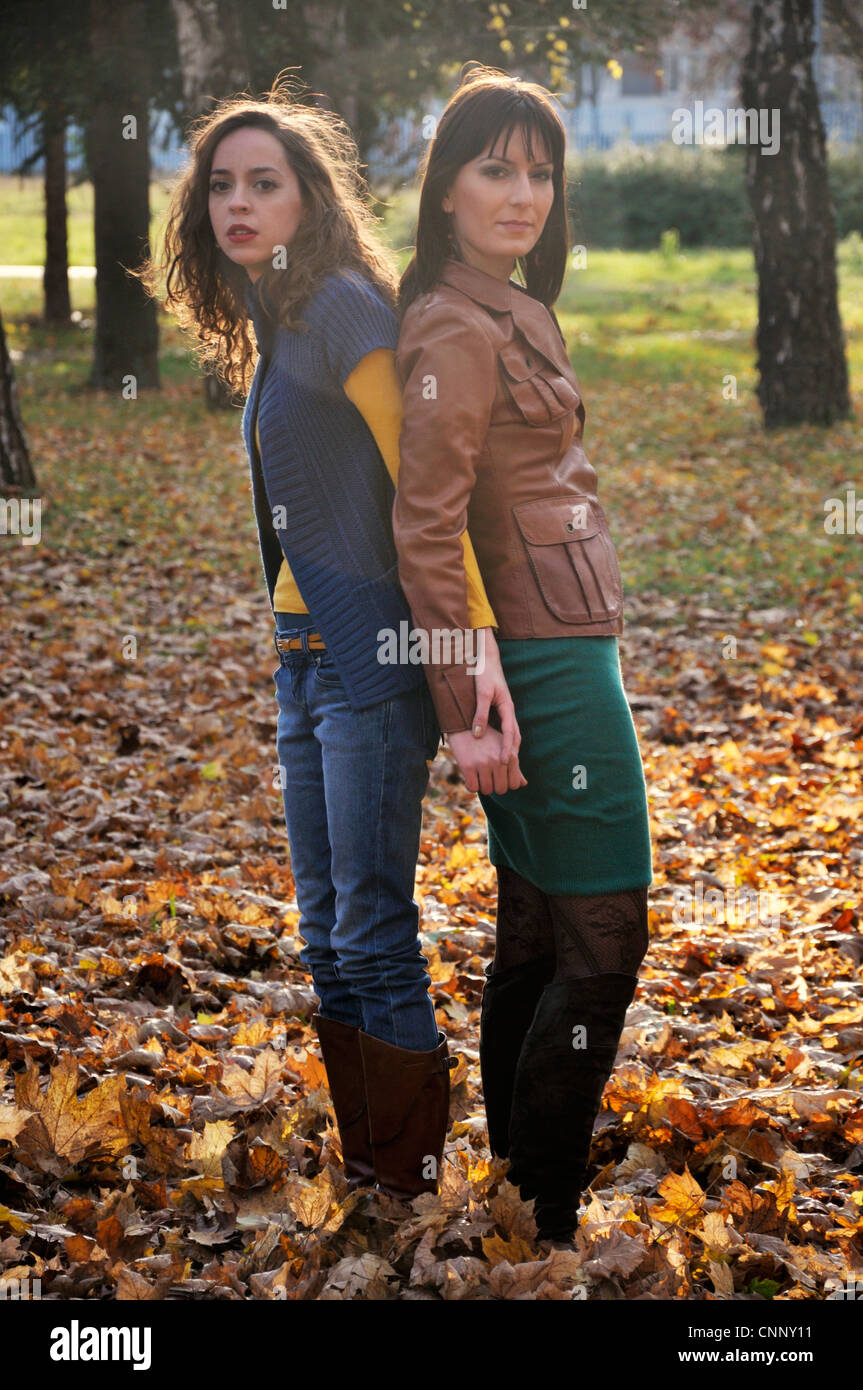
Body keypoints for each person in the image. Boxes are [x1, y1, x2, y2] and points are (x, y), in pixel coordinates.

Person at [135, 79, 525, 1201]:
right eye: (221, 185)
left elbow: (425, 488)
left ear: (308, 198)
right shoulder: (280, 321)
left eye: (265, 183)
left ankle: (409, 1183)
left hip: (370, 664)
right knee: (325, 935)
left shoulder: (347, 308)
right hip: (300, 664)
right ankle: (372, 1170)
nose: (238, 203)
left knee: (371, 928)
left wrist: (469, 647)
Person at [392, 66, 654, 1242]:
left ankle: (513, 1194)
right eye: (493, 168)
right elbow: (423, 524)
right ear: (444, 188)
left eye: (539, 172)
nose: (522, 193)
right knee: (606, 936)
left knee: (541, 929)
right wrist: (463, 697)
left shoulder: (510, 307)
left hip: (563, 636)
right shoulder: (454, 325)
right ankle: (542, 1215)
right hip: (539, 663)